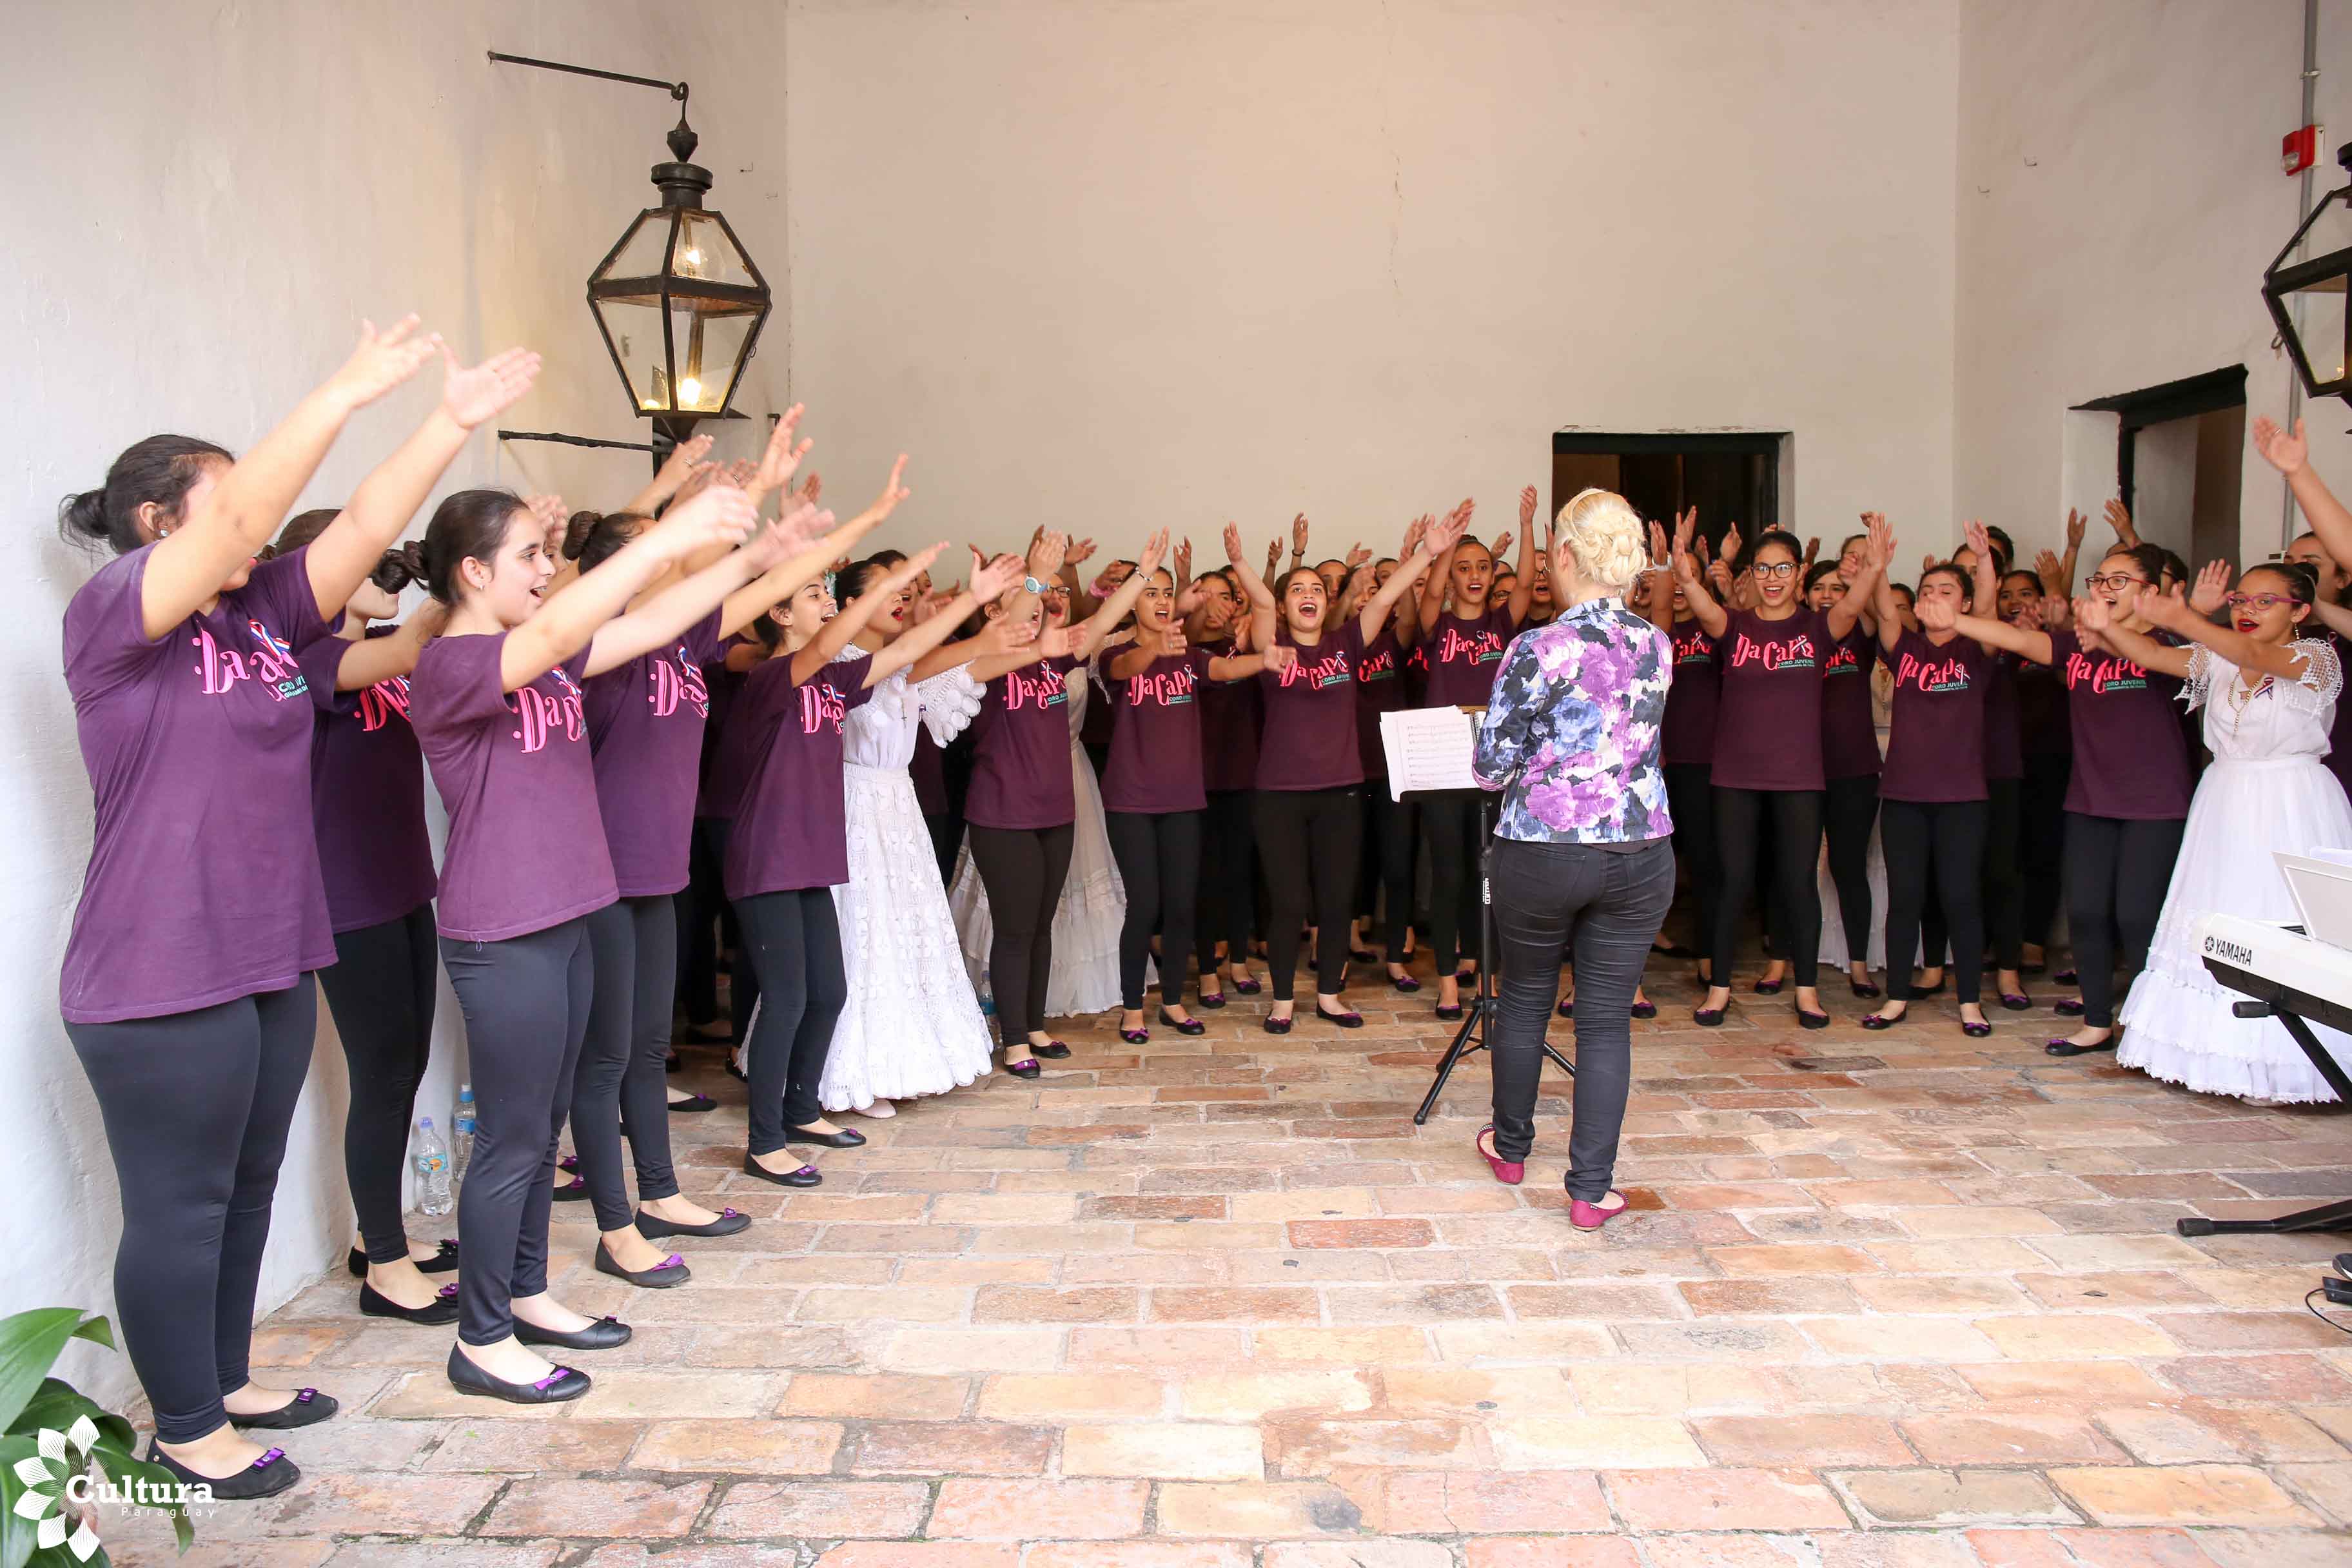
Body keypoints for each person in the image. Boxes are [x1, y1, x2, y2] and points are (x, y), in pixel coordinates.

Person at [56, 318, 468, 1496]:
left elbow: (365, 531)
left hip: (272, 952)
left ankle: (225, 1377)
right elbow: (245, 524)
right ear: (155, 523)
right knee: (178, 1204)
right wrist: (343, 389)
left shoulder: (266, 621)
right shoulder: (117, 626)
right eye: (221, 503)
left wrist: (443, 419)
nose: (247, 522)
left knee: (246, 1179)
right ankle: (185, 1424)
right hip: (156, 966)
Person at [411, 476, 762, 1404]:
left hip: (567, 913)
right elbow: (568, 628)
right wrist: (672, 532)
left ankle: (527, 1291)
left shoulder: (543, 656)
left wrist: (748, 558)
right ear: (474, 571)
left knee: (547, 1124)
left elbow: (647, 629)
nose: (547, 568)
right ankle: (482, 1339)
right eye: (529, 555)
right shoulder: (453, 664)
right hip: (505, 927)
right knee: (514, 1141)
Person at [563, 425, 850, 1285]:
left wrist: (787, 523)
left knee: (647, 1046)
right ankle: (618, 1222)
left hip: (659, 868)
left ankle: (658, 1189)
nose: (685, 569)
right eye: (666, 559)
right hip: (602, 872)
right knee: (606, 1054)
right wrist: (691, 501)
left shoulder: (682, 645)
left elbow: (757, 586)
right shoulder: (595, 650)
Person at [727, 542, 1010, 1174]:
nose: (825, 603)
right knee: (788, 996)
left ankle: (803, 1107)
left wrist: (969, 598)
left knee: (829, 990)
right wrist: (897, 577)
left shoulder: (833, 680)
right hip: (769, 855)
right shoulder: (775, 676)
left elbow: (907, 653)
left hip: (814, 851)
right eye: (812, 596)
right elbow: (827, 645)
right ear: (779, 615)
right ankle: (765, 1140)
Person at [1471, 488, 1673, 1231]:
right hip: (1641, 847)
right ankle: (1591, 1190)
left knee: (1525, 996)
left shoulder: (1536, 648)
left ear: (1562, 555)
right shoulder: (1657, 643)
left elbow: (1491, 767)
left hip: (1544, 851)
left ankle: (1512, 1146)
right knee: (1605, 1021)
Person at [277, 512, 455, 1317]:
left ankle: (371, 1233)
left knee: (405, 1067)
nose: (378, 574)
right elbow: (417, 643)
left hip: (404, 880)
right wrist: (450, 578)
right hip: (347, 896)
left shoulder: (378, 666)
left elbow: (422, 656)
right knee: (382, 1072)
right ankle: (385, 1263)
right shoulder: (308, 657)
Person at [2090, 562, 2348, 1101]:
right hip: (2227, 799)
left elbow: (2252, 655)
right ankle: (2206, 1054)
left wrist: (2186, 616)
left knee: (2277, 915)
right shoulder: (2218, 658)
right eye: (2241, 599)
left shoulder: (2315, 658)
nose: (2247, 610)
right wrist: (2107, 625)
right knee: (2219, 909)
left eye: (2264, 602)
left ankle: (2285, 1065)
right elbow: (2153, 656)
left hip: (2290, 800)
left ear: (2300, 611)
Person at [1932, 542, 2193, 1056]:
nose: (2104, 589)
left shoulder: (2172, 644)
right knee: (2089, 913)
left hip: (2155, 802)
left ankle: (2149, 1029)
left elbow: (2150, 656)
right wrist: (1956, 621)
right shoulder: (2079, 646)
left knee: (2139, 917)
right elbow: (2018, 638)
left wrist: (2106, 629)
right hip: (2089, 799)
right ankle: (2097, 1022)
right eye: (2099, 580)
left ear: (2150, 591)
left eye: (2119, 581)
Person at [821, 549, 1028, 1115]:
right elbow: (931, 658)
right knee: (863, 929)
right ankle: (854, 1070)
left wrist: (1026, 590)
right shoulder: (839, 657)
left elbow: (979, 660)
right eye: (889, 588)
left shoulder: (901, 660)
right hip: (854, 804)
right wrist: (979, 608)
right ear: (849, 602)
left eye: (905, 590)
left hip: (899, 807)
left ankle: (903, 1058)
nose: (902, 598)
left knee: (904, 926)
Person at [1245, 513, 1464, 1030]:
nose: (1308, 594)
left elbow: (1386, 599)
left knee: (1338, 898)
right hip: (1279, 795)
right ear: (1285, 604)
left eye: (1317, 589)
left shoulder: (1344, 645)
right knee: (1290, 902)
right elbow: (1257, 603)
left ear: (1328, 600)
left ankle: (1329, 995)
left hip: (1341, 794)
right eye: (1298, 589)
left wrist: (1427, 553)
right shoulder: (1273, 647)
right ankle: (1281, 1000)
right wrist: (1239, 561)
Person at [948, 534, 1159, 1070]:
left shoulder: (1052, 658)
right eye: (1024, 598)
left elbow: (1100, 623)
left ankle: (1035, 1026)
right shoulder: (989, 661)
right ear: (995, 610)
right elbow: (1006, 639)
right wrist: (1037, 576)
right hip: (1003, 814)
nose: (1037, 605)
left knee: (1042, 926)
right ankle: (1013, 1038)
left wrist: (1141, 576)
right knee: (1015, 929)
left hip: (1054, 811)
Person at [1672, 517, 1879, 1027]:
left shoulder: (1818, 627)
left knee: (1797, 882)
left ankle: (1807, 991)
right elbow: (1700, 603)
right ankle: (1719, 989)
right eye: (1762, 568)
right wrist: (1682, 570)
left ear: (1800, 571)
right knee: (1733, 880)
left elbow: (1855, 604)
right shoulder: (1734, 625)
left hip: (1799, 777)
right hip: (1736, 776)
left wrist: (1874, 564)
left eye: (1782, 567)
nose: (1771, 577)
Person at [1102, 551, 1289, 1041]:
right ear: (1131, 604)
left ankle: (1171, 1003)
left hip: (1184, 799)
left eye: (1167, 593)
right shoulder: (1116, 652)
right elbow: (1125, 668)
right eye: (1151, 594)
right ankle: (1131, 1008)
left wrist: (1263, 660)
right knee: (1144, 905)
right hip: (1131, 802)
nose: (1162, 601)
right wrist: (1155, 647)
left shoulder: (1187, 654)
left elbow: (1222, 671)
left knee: (1183, 904)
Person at [1857, 517, 1994, 1037]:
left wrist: (1983, 563)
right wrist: (1879, 564)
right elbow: (1885, 608)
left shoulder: (1976, 648)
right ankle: (1895, 998)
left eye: (1947, 590)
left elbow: (1987, 608)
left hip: (1963, 797)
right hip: (1905, 794)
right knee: (1906, 898)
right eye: (1928, 590)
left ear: (1963, 601)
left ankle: (1970, 1003)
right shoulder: (1906, 647)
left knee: (1961, 896)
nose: (1936, 597)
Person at [1416, 492, 1535, 1019]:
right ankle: (1447, 982)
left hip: (1494, 768)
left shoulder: (1503, 626)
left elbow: (1529, 584)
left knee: (1491, 876)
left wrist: (1526, 524)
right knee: (1449, 875)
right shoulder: (1436, 625)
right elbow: (1433, 590)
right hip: (1443, 767)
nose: (1473, 575)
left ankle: (1486, 974)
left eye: (1483, 567)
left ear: (1493, 575)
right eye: (1465, 567)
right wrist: (1444, 549)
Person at [1189, 569, 1269, 1003]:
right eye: (1207, 596)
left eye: (1226, 596)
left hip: (1244, 772)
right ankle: (1206, 971)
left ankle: (1238, 960)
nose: (1218, 604)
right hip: (1195, 777)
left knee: (1240, 872)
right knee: (1204, 877)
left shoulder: (1249, 644)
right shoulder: (1181, 649)